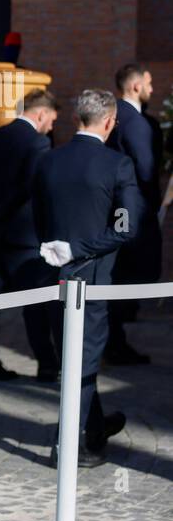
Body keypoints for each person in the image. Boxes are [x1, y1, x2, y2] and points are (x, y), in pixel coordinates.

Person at [34, 90, 142, 467]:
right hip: (90, 277)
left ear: (77, 118)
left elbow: (39, 218)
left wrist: (56, 249)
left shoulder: (49, 161)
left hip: (52, 274)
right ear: (110, 122)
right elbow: (127, 227)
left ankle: (95, 427)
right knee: (83, 360)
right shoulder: (117, 164)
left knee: (74, 355)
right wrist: (79, 248)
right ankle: (68, 446)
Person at [0, 88, 60, 381]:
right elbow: (28, 187)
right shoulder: (39, 143)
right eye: (52, 120)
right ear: (41, 113)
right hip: (21, 236)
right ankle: (46, 365)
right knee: (34, 306)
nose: (52, 126)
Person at [105, 63, 163, 364]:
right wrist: (152, 207)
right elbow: (146, 170)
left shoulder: (113, 116)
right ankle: (114, 344)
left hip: (114, 208)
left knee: (117, 278)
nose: (153, 90)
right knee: (125, 279)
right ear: (136, 86)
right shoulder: (137, 123)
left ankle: (114, 341)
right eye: (150, 84)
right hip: (133, 212)